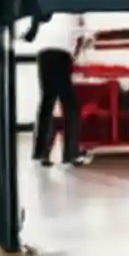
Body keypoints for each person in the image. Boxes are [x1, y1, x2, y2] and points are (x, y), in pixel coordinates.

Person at [32, 12, 89, 167]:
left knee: (47, 102)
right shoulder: (76, 15)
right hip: (61, 55)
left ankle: (41, 152)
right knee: (70, 105)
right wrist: (73, 57)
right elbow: (81, 40)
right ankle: (71, 154)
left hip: (43, 55)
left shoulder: (48, 9)